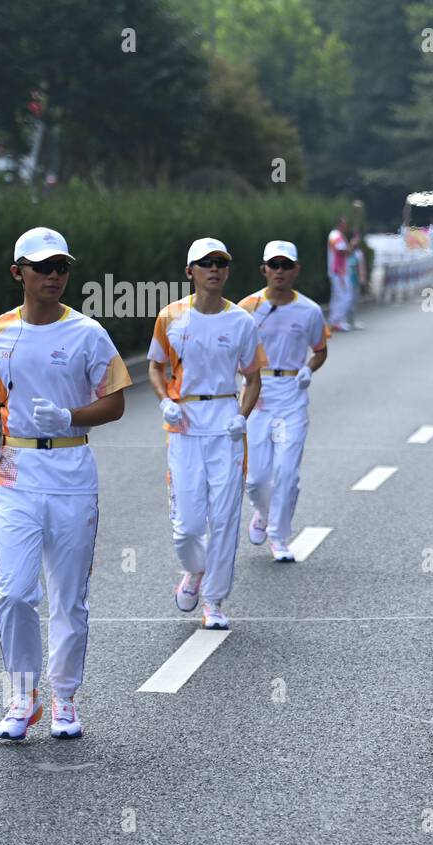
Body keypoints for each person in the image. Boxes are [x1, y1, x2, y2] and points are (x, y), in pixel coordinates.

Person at [0, 227, 131, 740]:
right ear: (17, 271)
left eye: (61, 267)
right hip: (15, 474)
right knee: (16, 593)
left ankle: (64, 697)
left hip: (70, 473)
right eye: (42, 267)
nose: (54, 276)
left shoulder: (88, 333)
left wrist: (68, 415)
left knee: (69, 596)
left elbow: (115, 401)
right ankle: (25, 695)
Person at [148, 239, 266, 630]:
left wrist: (242, 416)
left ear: (227, 271)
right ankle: (194, 570)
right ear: (190, 272)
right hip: (184, 424)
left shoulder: (241, 322)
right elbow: (155, 366)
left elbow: (251, 378)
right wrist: (165, 398)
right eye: (205, 263)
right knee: (187, 525)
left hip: (225, 423)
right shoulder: (170, 318)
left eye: (221, 263)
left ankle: (214, 600)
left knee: (225, 516)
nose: (214, 269)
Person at [237, 241, 328, 562]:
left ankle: (279, 535)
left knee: (287, 471)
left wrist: (307, 369)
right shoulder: (245, 308)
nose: (279, 271)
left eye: (285, 266)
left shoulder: (309, 311)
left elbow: (320, 350)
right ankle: (262, 512)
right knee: (256, 478)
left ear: (296, 270)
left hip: (292, 393)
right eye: (273, 265)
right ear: (264, 269)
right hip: (257, 394)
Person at [326, 216, 353, 331]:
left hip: (339, 272)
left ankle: (335, 320)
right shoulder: (335, 236)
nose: (346, 226)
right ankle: (337, 320)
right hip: (338, 272)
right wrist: (352, 245)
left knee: (337, 297)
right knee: (345, 296)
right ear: (340, 224)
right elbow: (341, 251)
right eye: (345, 224)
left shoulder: (338, 235)